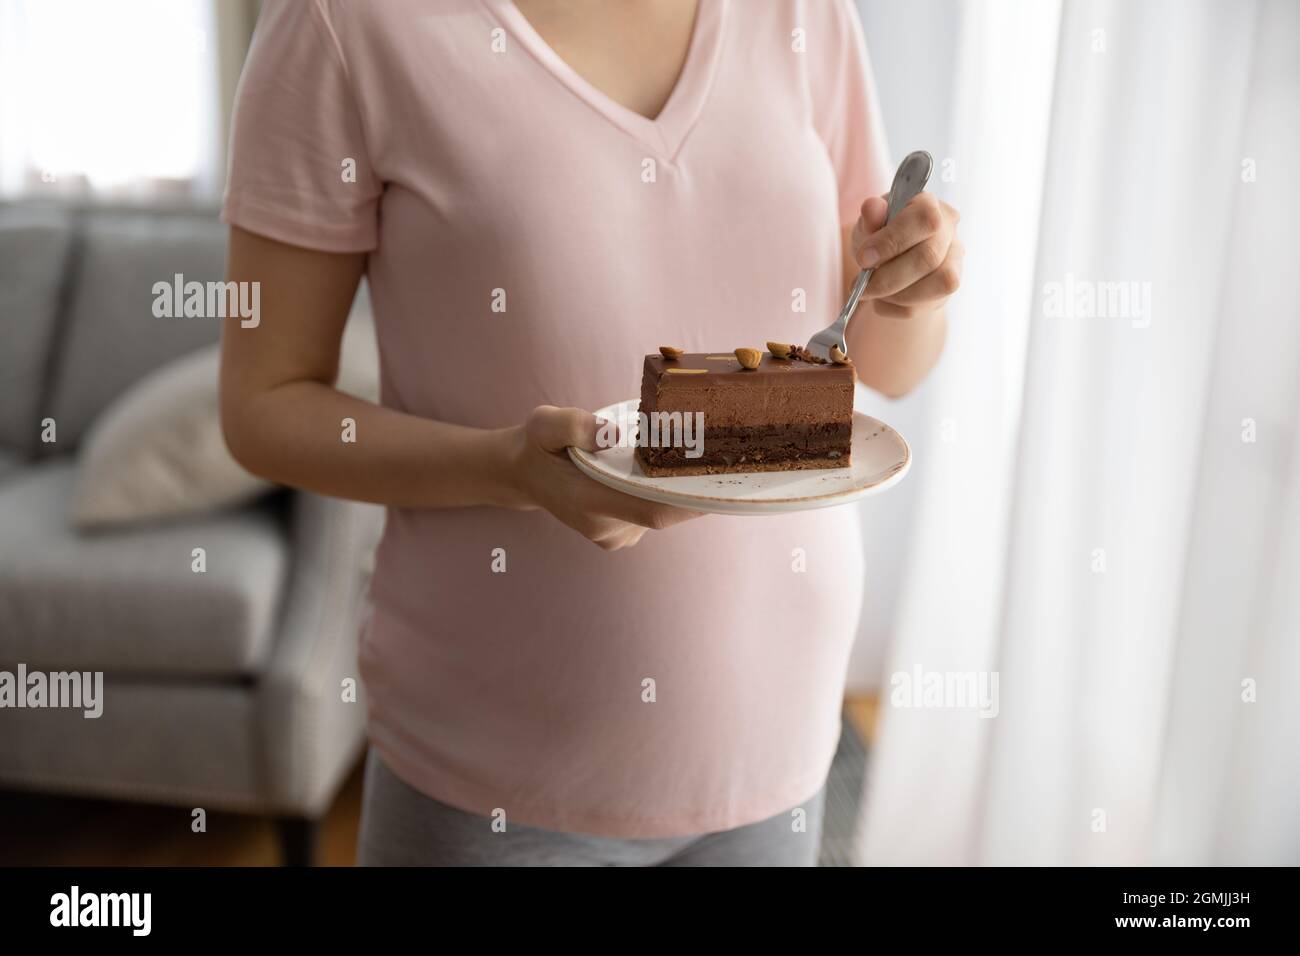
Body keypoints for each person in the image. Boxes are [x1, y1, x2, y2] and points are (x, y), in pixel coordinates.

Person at [219, 0, 962, 866]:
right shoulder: (343, 22)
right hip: (493, 781)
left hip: (780, 750)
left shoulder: (803, 13)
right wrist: (506, 468)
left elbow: (889, 363)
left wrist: (913, 292)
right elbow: (263, 406)